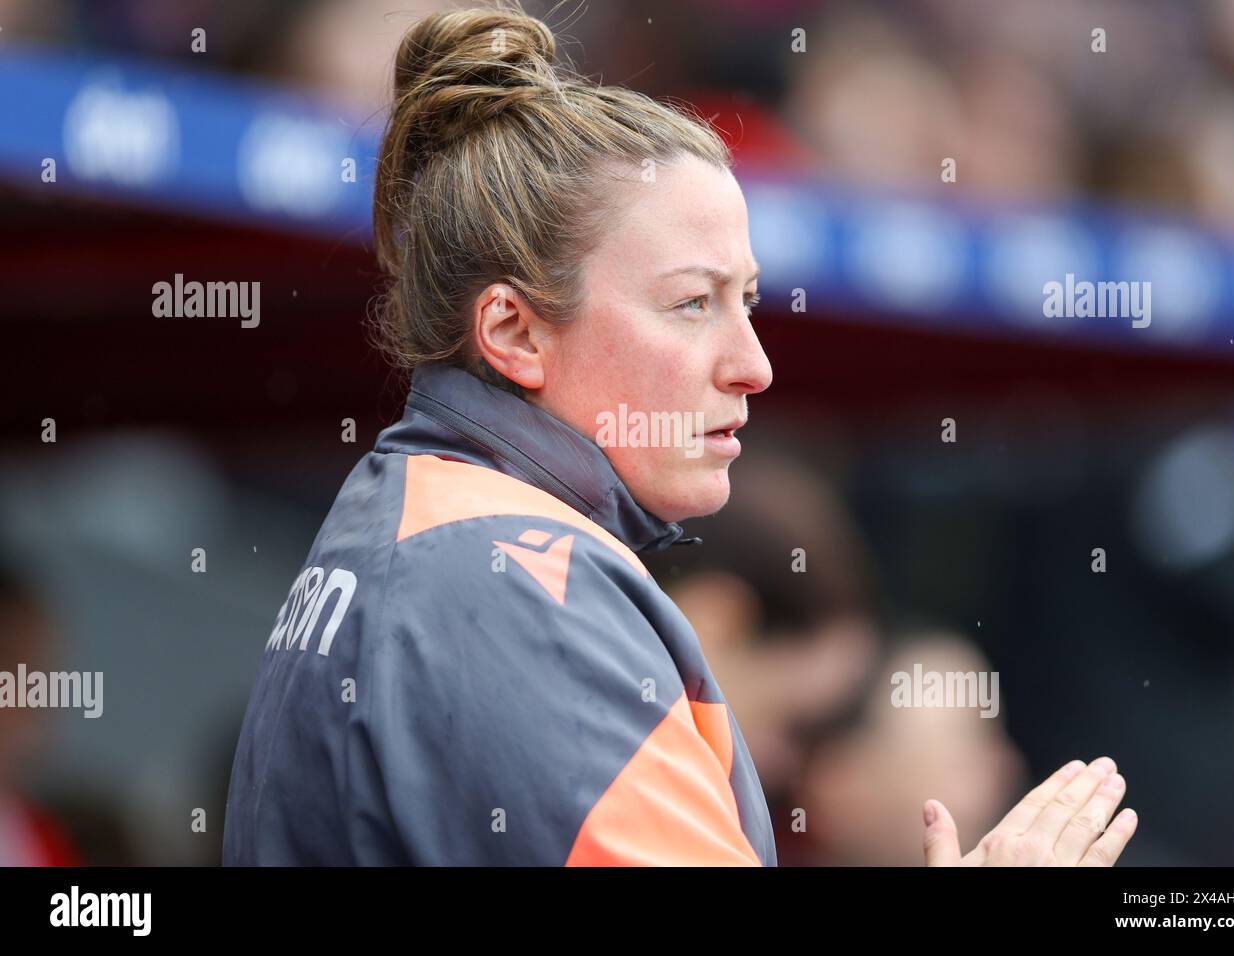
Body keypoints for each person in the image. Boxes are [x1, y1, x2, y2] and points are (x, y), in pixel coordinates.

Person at [223, 2, 1138, 867]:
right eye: (692, 303)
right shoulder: (514, 581)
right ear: (513, 333)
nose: (753, 365)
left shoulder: (415, 514)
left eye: (746, 300)